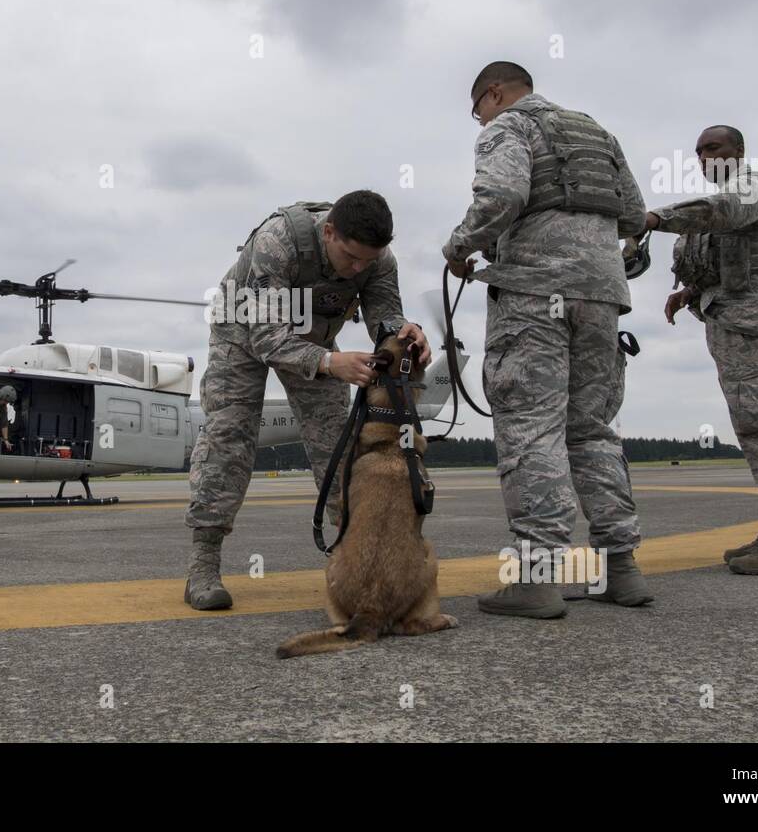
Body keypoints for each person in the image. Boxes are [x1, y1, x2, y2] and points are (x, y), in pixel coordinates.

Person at [443, 61, 651, 618]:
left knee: (532, 427)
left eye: (477, 109)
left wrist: (460, 246)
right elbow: (633, 214)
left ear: (494, 93)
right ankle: (620, 570)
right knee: (591, 430)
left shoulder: (508, 127)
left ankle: (536, 579)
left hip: (535, 296)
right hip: (603, 296)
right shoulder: (595, 131)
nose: (478, 120)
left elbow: (501, 196)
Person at [185, 190, 431, 610]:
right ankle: (203, 566)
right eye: (351, 257)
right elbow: (266, 337)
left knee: (339, 445)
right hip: (242, 331)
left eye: (367, 262)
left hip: (314, 335)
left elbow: (383, 314)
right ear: (329, 231)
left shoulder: (377, 260)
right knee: (230, 437)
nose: (358, 269)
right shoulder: (277, 242)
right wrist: (330, 362)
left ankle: (359, 561)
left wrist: (405, 333)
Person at [644, 125, 758, 574]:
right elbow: (720, 260)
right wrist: (688, 291)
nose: (704, 156)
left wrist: (655, 219)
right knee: (752, 427)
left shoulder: (753, 190)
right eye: (698, 151)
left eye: (713, 147)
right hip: (731, 325)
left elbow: (724, 213)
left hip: (754, 326)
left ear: (739, 150)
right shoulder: (717, 204)